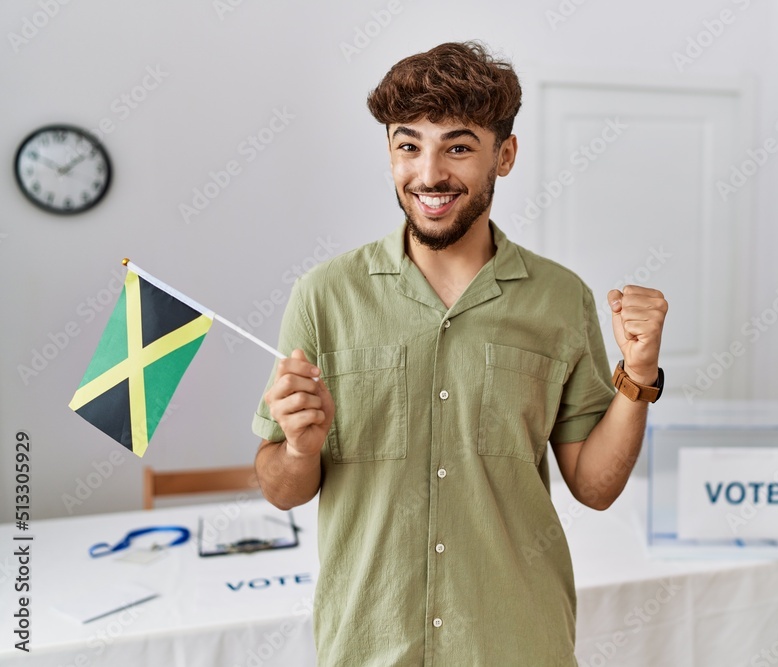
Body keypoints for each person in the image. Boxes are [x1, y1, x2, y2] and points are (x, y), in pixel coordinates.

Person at [252, 41, 668, 666]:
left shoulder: (560, 299)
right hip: (370, 646)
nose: (428, 174)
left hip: (517, 643)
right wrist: (300, 448)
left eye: (458, 146)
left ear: (504, 155)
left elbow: (594, 486)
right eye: (408, 145)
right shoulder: (324, 296)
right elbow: (281, 490)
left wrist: (637, 377)